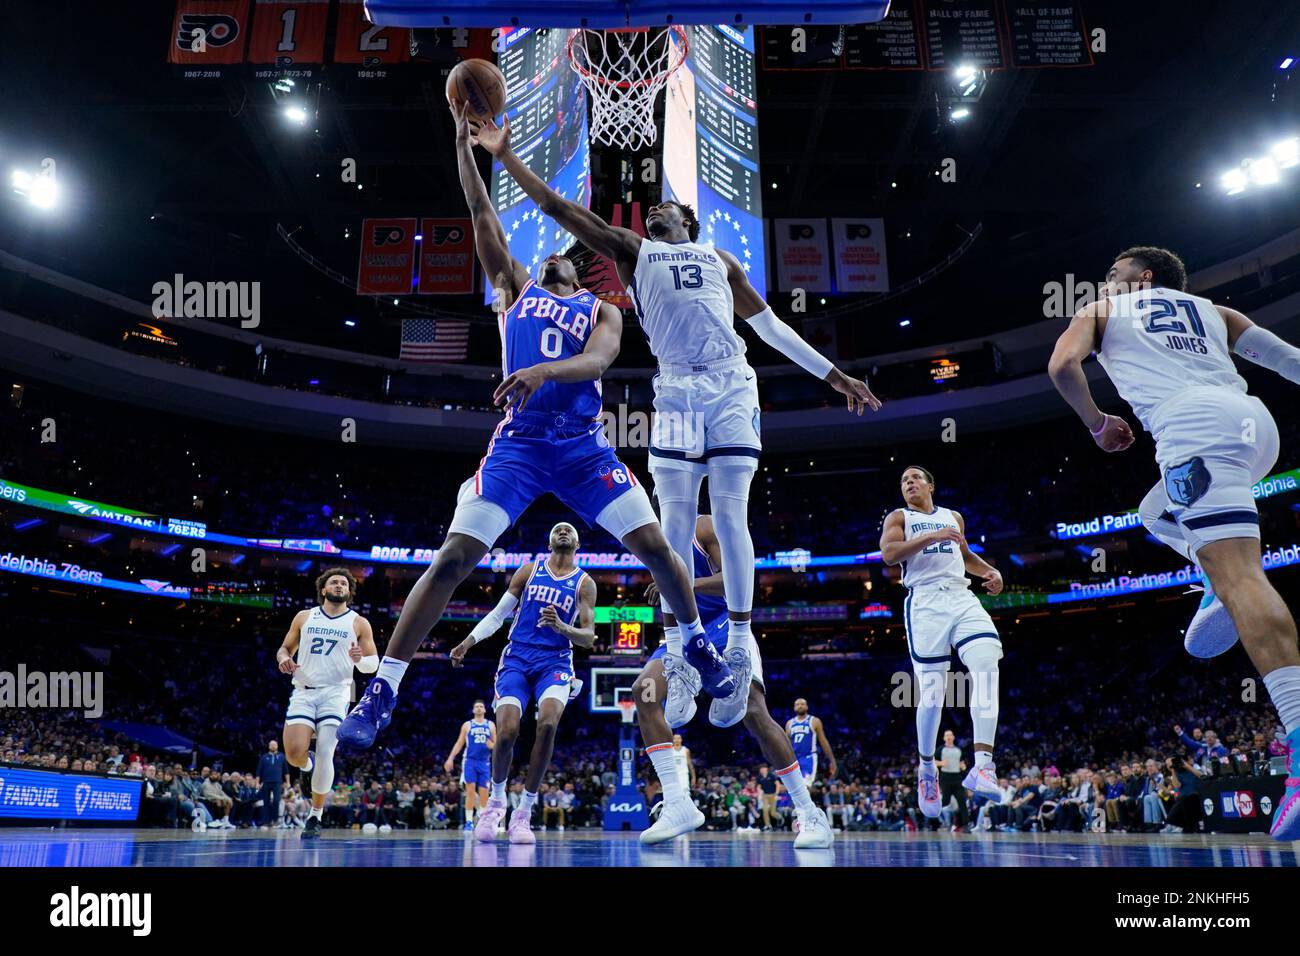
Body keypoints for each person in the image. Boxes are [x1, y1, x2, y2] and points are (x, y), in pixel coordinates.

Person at [339, 101, 740, 753]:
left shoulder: (603, 309)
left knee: (661, 550)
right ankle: (382, 688)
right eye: (549, 254)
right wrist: (469, 149)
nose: (554, 256)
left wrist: (544, 374)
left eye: (564, 257)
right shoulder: (513, 288)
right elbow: (481, 215)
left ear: (577, 270)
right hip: (520, 450)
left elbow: (602, 361)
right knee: (453, 560)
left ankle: (696, 646)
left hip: (583, 450)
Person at [473, 109, 878, 737]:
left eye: (668, 206)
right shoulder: (634, 252)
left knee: (734, 512)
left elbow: (771, 328)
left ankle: (739, 641)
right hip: (678, 390)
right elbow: (559, 208)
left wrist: (834, 375)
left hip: (731, 383)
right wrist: (504, 156)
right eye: (652, 207)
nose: (656, 208)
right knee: (676, 529)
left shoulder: (722, 261)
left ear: (688, 221)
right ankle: (685, 653)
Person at [1048, 245, 1300, 840]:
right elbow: (1290, 360)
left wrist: (1097, 422)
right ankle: (1208, 576)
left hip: (1191, 426)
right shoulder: (1216, 311)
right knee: (1154, 512)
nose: (1105, 280)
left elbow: (1062, 367)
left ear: (1145, 276)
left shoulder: (1105, 309)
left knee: (1244, 577)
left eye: (1113, 272)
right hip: (1253, 428)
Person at [634, 515, 834, 847]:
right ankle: (677, 801)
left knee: (755, 713)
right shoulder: (649, 537)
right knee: (644, 690)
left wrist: (681, 583)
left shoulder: (703, 527)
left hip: (726, 625)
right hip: (684, 633)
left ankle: (809, 812)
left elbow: (736, 580)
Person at [449, 523, 596, 844]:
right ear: (549, 539)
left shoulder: (585, 583)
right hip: (517, 656)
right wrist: (468, 641)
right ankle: (496, 804)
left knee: (546, 725)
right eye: (556, 529)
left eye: (568, 530)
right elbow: (499, 613)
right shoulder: (528, 571)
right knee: (508, 731)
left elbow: (588, 637)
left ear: (578, 543)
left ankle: (524, 812)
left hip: (555, 660)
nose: (562, 531)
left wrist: (562, 628)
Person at [879, 466, 1007, 820]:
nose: (908, 484)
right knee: (934, 692)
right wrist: (931, 538)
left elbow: (963, 557)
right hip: (925, 603)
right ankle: (926, 770)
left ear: (930, 485)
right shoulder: (899, 516)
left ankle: (983, 766)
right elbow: (889, 554)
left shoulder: (953, 518)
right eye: (903, 481)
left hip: (961, 597)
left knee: (985, 663)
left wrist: (989, 571)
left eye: (914, 478)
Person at [277, 567, 378, 839]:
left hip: (337, 692)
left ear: (349, 592)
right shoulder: (304, 617)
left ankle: (315, 815)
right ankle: (306, 765)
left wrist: (360, 660)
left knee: (326, 751)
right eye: (334, 582)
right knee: (294, 754)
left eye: (343, 583)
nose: (339, 585)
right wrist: (283, 659)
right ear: (323, 589)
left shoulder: (358, 623)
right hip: (304, 690)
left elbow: (373, 664)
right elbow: (284, 648)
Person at [444, 700, 495, 831]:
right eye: (476, 706)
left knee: (484, 793)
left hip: (484, 762)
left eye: (481, 706)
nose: (479, 708)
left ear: (485, 710)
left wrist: (493, 746)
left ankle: (482, 821)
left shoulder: (490, 725)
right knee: (470, 792)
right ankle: (469, 822)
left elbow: (497, 745)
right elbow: (459, 743)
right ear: (473, 710)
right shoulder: (467, 725)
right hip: (470, 761)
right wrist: (450, 758)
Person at [786, 698, 837, 785]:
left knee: (806, 787)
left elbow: (823, 741)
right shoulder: (789, 723)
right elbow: (786, 745)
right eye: (797, 704)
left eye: (802, 704)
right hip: (794, 759)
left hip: (809, 758)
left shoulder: (814, 721)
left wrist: (832, 760)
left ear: (807, 707)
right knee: (795, 788)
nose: (800, 706)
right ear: (794, 708)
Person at [255, 740, 286, 829]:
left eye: (274, 745)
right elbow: (259, 770)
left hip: (277, 782)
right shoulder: (264, 757)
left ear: (277, 746)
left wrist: (287, 782)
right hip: (266, 782)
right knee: (266, 802)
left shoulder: (281, 756)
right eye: (271, 745)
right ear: (269, 746)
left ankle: (275, 821)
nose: (273, 746)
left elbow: (286, 770)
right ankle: (266, 822)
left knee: (276, 800)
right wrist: (257, 782)